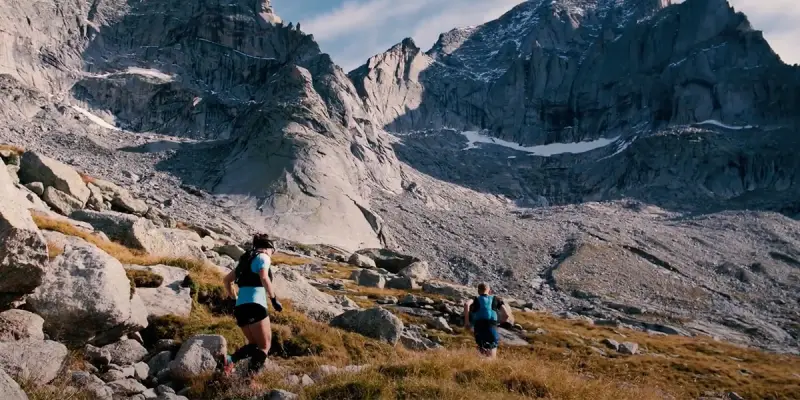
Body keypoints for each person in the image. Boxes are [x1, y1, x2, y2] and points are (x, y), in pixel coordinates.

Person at [221, 233, 283, 376]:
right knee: (264, 346)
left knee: (254, 344)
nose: (271, 255)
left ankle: (229, 360)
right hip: (256, 305)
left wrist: (234, 299)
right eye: (272, 251)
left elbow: (226, 281)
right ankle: (249, 380)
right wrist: (273, 299)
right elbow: (264, 277)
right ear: (268, 247)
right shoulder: (263, 257)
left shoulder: (246, 260)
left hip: (241, 307)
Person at [464, 283, 513, 358]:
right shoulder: (496, 299)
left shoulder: (475, 298)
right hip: (492, 326)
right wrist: (499, 323)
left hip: (479, 326)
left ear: (478, 291)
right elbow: (506, 315)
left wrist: (467, 322)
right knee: (492, 350)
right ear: (489, 291)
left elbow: (466, 304)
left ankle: (481, 366)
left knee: (482, 349)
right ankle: (490, 366)